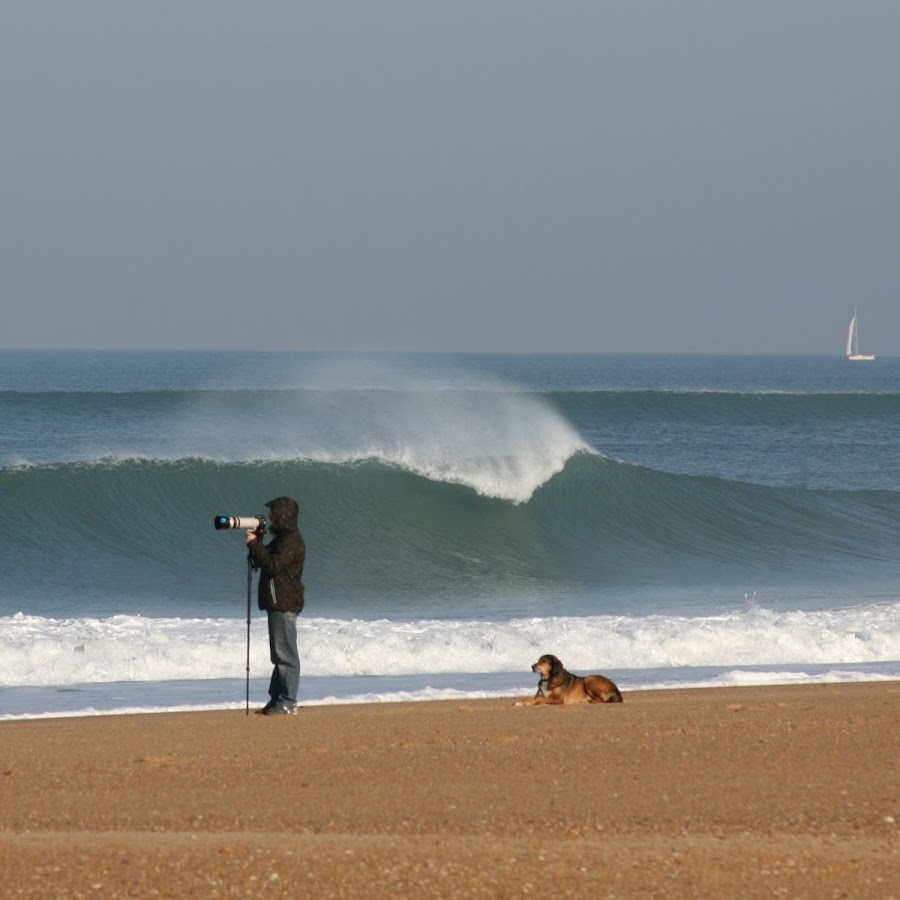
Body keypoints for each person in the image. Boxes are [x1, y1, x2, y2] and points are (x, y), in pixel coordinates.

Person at [245, 496, 306, 715]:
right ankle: (277, 699)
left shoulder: (292, 541)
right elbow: (263, 560)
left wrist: (254, 544)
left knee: (286, 654)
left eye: (273, 513)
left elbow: (273, 565)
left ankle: (288, 701)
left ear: (283, 516)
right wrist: (256, 544)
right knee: (279, 654)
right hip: (277, 601)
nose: (270, 517)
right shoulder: (282, 540)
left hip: (284, 602)